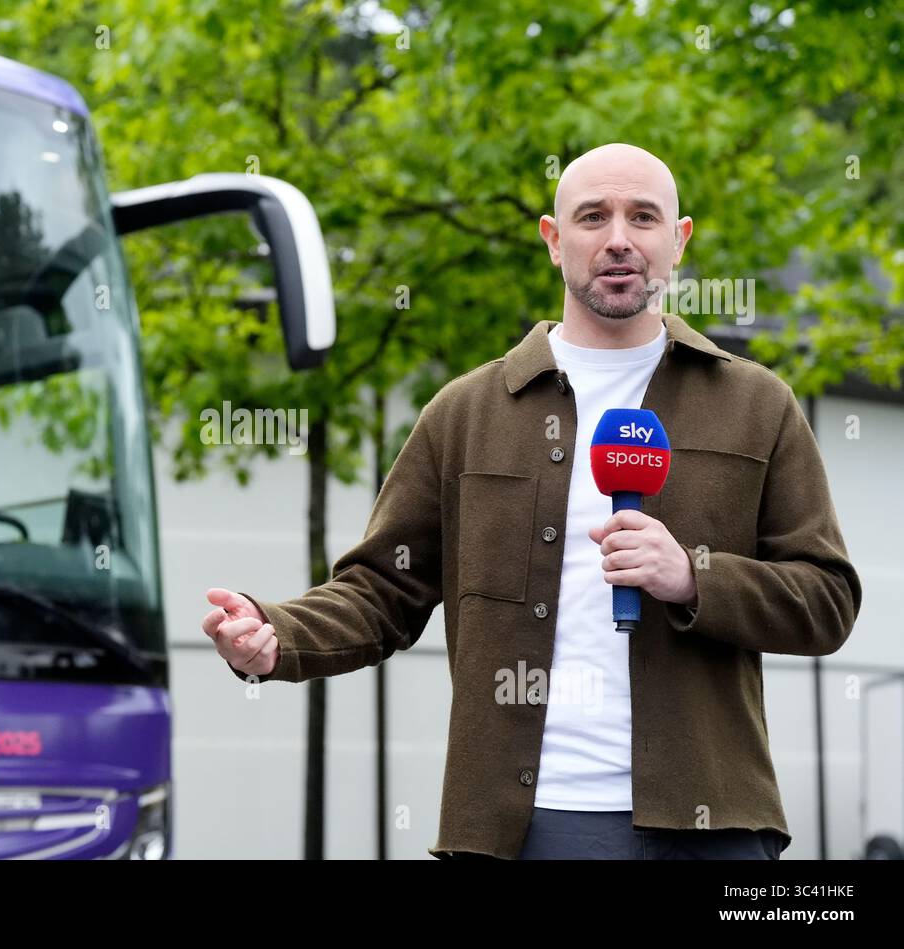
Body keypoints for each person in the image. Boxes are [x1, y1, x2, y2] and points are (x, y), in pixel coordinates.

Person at [200, 143, 862, 860]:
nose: (618, 238)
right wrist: (277, 634)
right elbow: (381, 588)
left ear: (679, 240)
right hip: (522, 829)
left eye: (643, 217)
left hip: (711, 828)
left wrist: (694, 577)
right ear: (553, 239)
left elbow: (827, 599)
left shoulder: (757, 406)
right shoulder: (466, 412)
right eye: (592, 216)